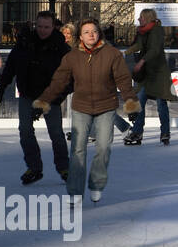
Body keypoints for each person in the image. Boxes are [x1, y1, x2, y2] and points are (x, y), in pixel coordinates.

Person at [32, 17, 140, 205]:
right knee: (78, 150)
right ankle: (75, 191)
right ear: (80, 36)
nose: (91, 35)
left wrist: (130, 103)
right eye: (87, 32)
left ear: (99, 33)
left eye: (94, 31)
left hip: (106, 106)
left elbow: (123, 80)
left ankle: (96, 184)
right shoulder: (72, 57)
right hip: (81, 108)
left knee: (104, 147)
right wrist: (43, 102)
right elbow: (58, 82)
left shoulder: (112, 54)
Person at [0, 11, 71, 184]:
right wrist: (1, 86)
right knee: (25, 131)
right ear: (35, 25)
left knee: (56, 133)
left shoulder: (61, 47)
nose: (43, 30)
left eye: (47, 27)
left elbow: (70, 76)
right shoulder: (24, 43)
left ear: (53, 27)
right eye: (40, 26)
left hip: (50, 97)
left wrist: (58, 97)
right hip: (28, 94)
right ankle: (34, 167)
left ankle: (64, 167)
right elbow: (11, 66)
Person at [114, 8, 176, 146]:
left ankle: (165, 133)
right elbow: (139, 45)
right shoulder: (142, 31)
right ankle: (137, 132)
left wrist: (142, 61)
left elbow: (154, 50)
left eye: (141, 17)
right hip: (146, 75)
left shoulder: (157, 31)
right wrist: (125, 53)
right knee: (139, 103)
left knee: (161, 105)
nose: (138, 19)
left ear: (148, 18)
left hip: (158, 74)